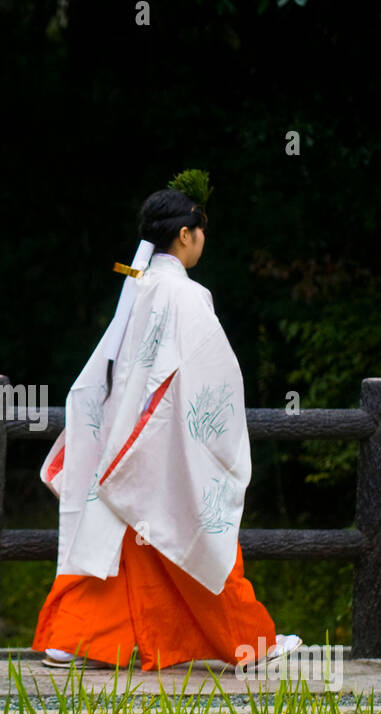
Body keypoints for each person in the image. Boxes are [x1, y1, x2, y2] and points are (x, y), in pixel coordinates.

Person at [33, 172, 301, 671]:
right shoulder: (185, 294)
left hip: (125, 435)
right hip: (163, 440)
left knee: (120, 535)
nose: (203, 242)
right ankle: (247, 641)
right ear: (185, 235)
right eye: (201, 232)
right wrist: (216, 444)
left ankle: (76, 638)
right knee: (197, 535)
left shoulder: (139, 286)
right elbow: (212, 378)